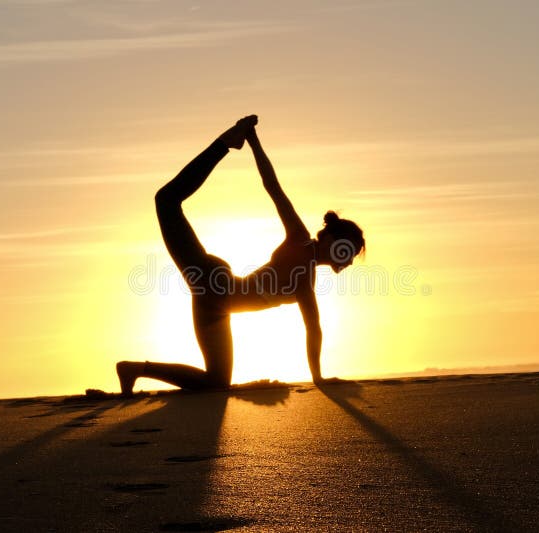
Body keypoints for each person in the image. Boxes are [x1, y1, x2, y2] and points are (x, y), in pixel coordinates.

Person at [116, 115, 365, 395]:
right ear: (331, 239)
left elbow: (313, 328)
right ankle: (224, 143)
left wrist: (255, 141)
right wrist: (318, 379)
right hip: (213, 282)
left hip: (216, 304)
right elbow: (272, 185)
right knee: (166, 200)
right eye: (349, 250)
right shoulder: (301, 250)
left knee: (217, 382)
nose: (350, 259)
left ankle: (134, 368)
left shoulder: (305, 269)